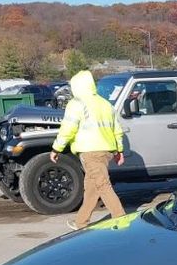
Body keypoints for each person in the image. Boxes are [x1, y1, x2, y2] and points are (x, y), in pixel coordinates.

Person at [50, 69, 126, 230]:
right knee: (92, 188)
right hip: (106, 152)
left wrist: (56, 148)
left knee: (103, 186)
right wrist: (119, 151)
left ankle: (122, 221)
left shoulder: (77, 104)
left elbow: (68, 128)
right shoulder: (105, 104)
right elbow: (117, 129)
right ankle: (81, 222)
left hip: (90, 152)